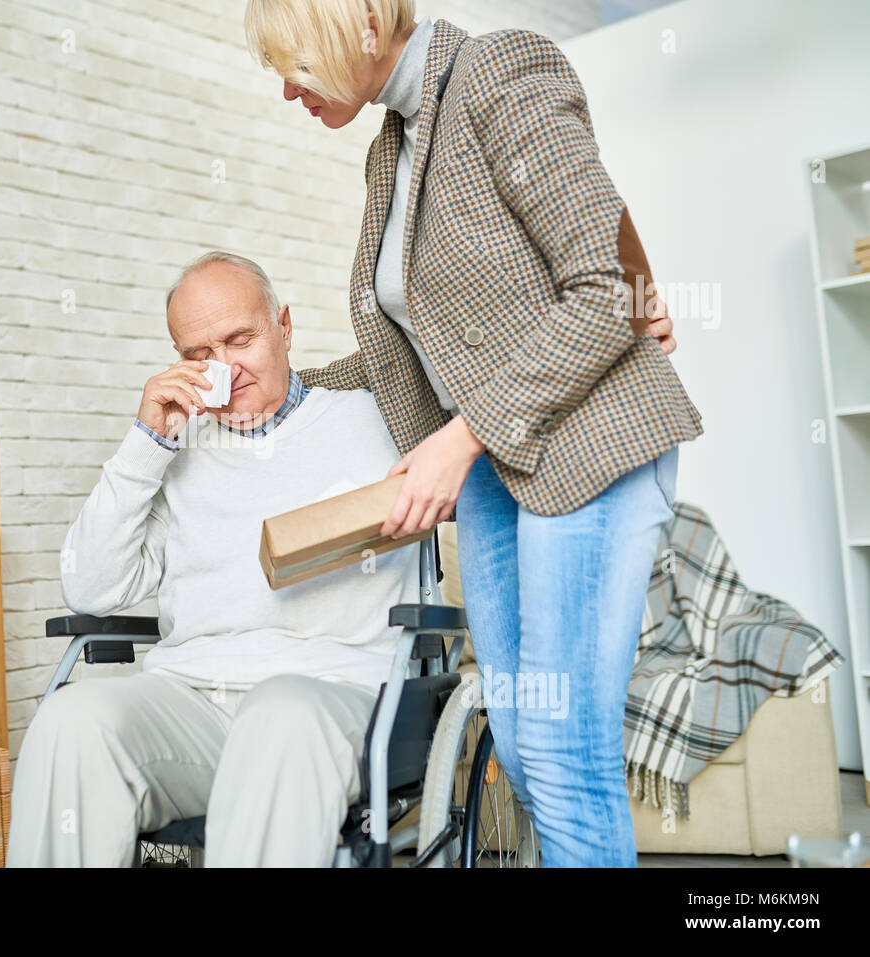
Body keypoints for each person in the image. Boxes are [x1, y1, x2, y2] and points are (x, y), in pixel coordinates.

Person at [244, 0, 702, 866]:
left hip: (588, 445)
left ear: (365, 25)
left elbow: (603, 281)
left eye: (294, 60)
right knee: (527, 750)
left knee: (565, 755)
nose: (284, 90)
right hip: (499, 472)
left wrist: (460, 439)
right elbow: (416, 346)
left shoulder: (498, 72)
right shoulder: (392, 147)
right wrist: (286, 388)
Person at [7, 251, 423, 867]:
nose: (222, 366)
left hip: (332, 695)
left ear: (285, 326)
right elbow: (91, 588)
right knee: (74, 720)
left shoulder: (375, 418)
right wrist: (146, 442)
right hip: (194, 703)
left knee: (280, 714)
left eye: (240, 339)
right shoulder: (176, 448)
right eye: (198, 355)